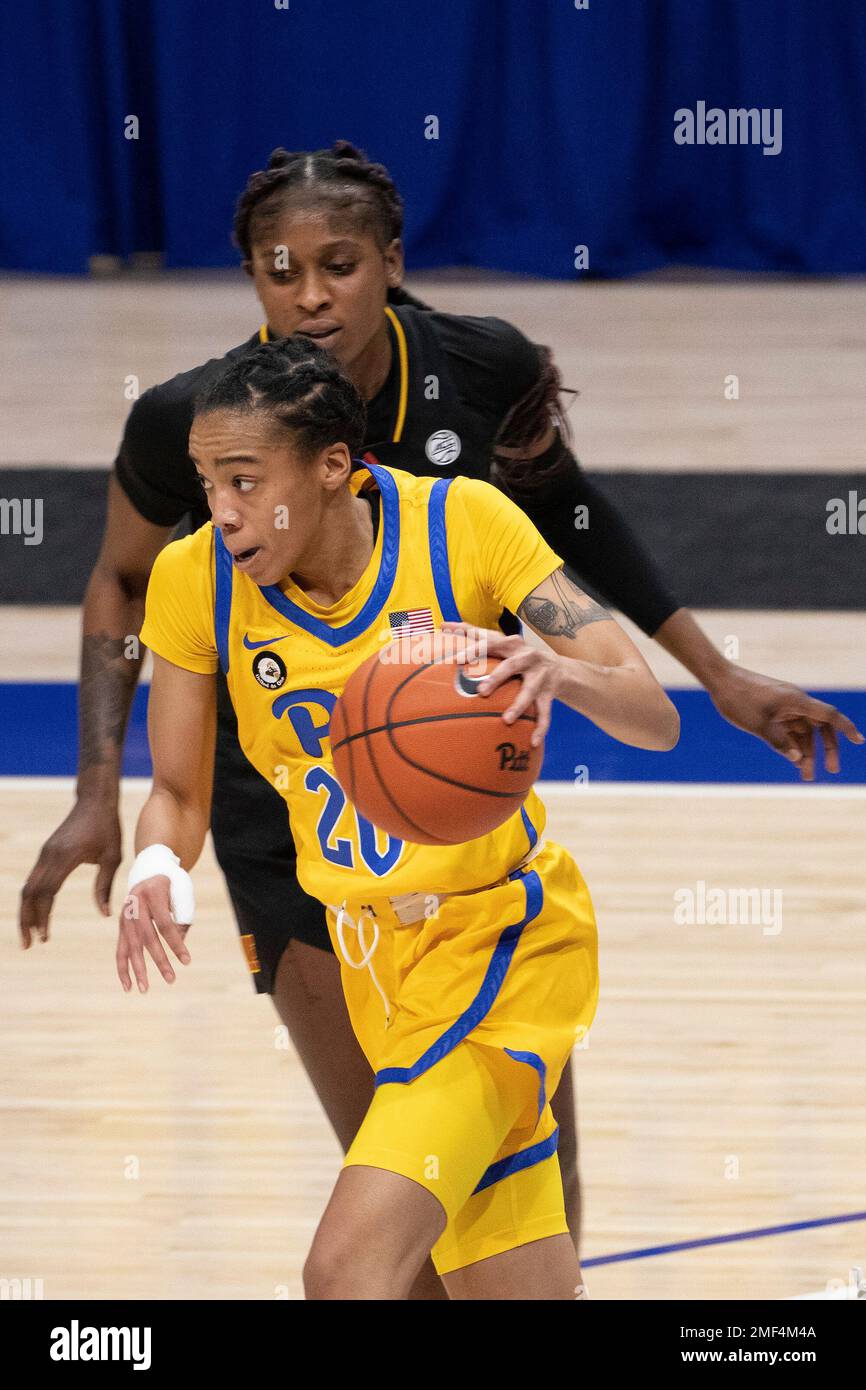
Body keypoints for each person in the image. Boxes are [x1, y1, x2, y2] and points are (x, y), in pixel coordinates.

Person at [20, 142, 863, 1282]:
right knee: (470, 1247)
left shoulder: (463, 492)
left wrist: (619, 669)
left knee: (359, 1259)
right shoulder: (196, 508)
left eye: (337, 265)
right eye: (280, 271)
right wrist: (130, 828)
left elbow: (577, 539)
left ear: (335, 465)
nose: (309, 295)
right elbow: (149, 688)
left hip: (487, 930)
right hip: (317, 870)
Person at [121, 337, 679, 1299]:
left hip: (500, 945)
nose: (222, 509)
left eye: (247, 481)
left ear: (334, 464)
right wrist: (154, 869)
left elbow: (655, 716)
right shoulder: (193, 579)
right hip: (375, 968)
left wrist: (560, 671)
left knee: (345, 1272)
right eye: (210, 480)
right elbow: (176, 791)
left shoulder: (463, 523)